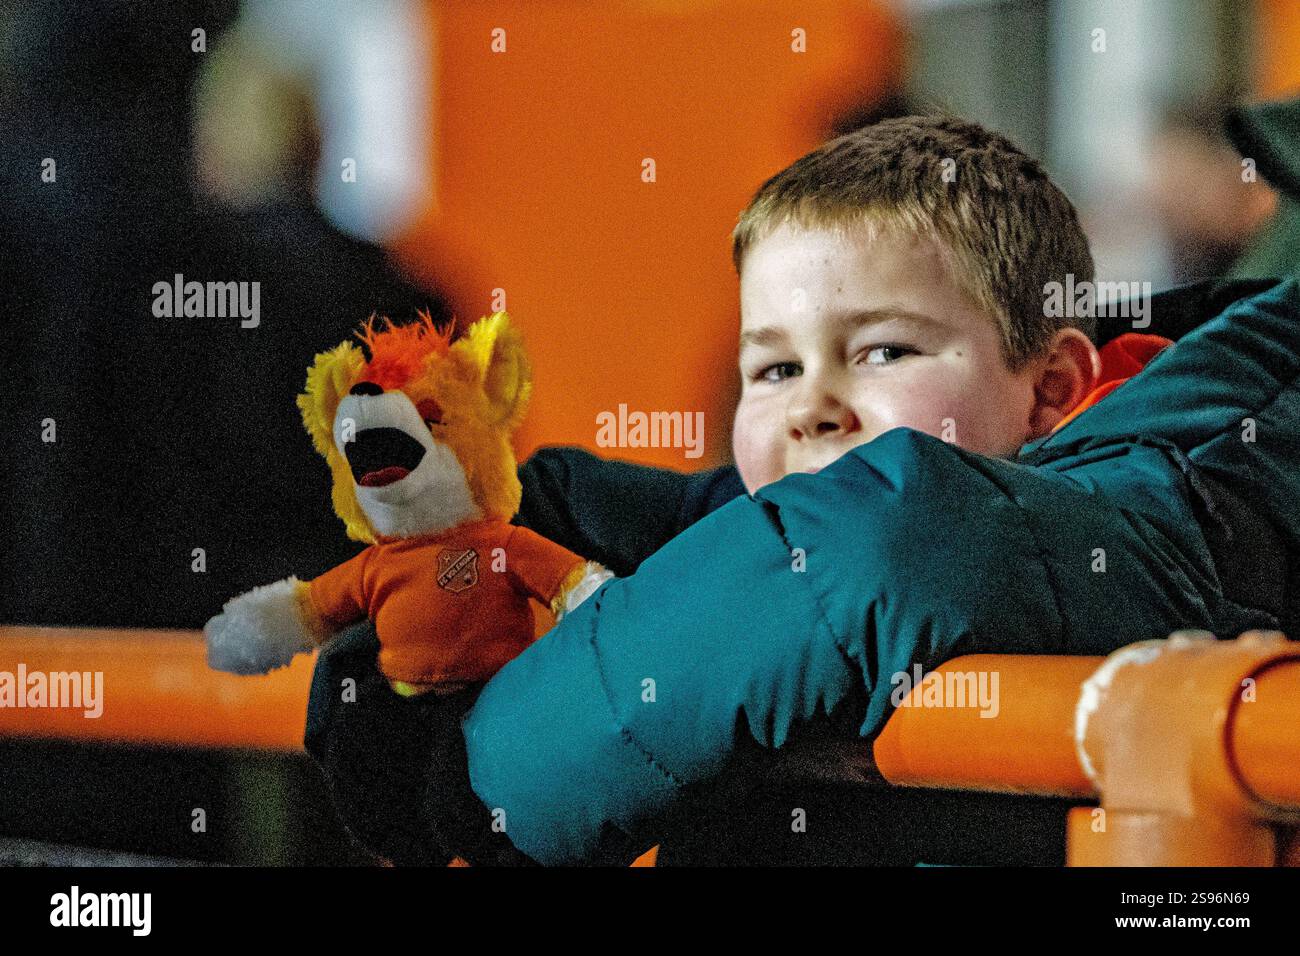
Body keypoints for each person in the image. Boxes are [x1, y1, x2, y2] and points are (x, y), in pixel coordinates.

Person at [305, 116, 1300, 865]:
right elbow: (698, 527)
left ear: (1053, 390)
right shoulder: (821, 509)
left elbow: (877, 539)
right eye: (771, 368)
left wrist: (475, 784)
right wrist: (429, 618)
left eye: (881, 349)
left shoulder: (1162, 496)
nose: (812, 406)